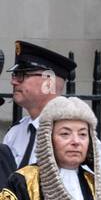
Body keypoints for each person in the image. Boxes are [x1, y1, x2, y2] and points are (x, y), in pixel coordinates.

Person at [3, 42, 75, 175]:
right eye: (14, 75)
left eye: (21, 75)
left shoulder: (75, 135)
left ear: (48, 82)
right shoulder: (16, 132)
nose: (13, 82)